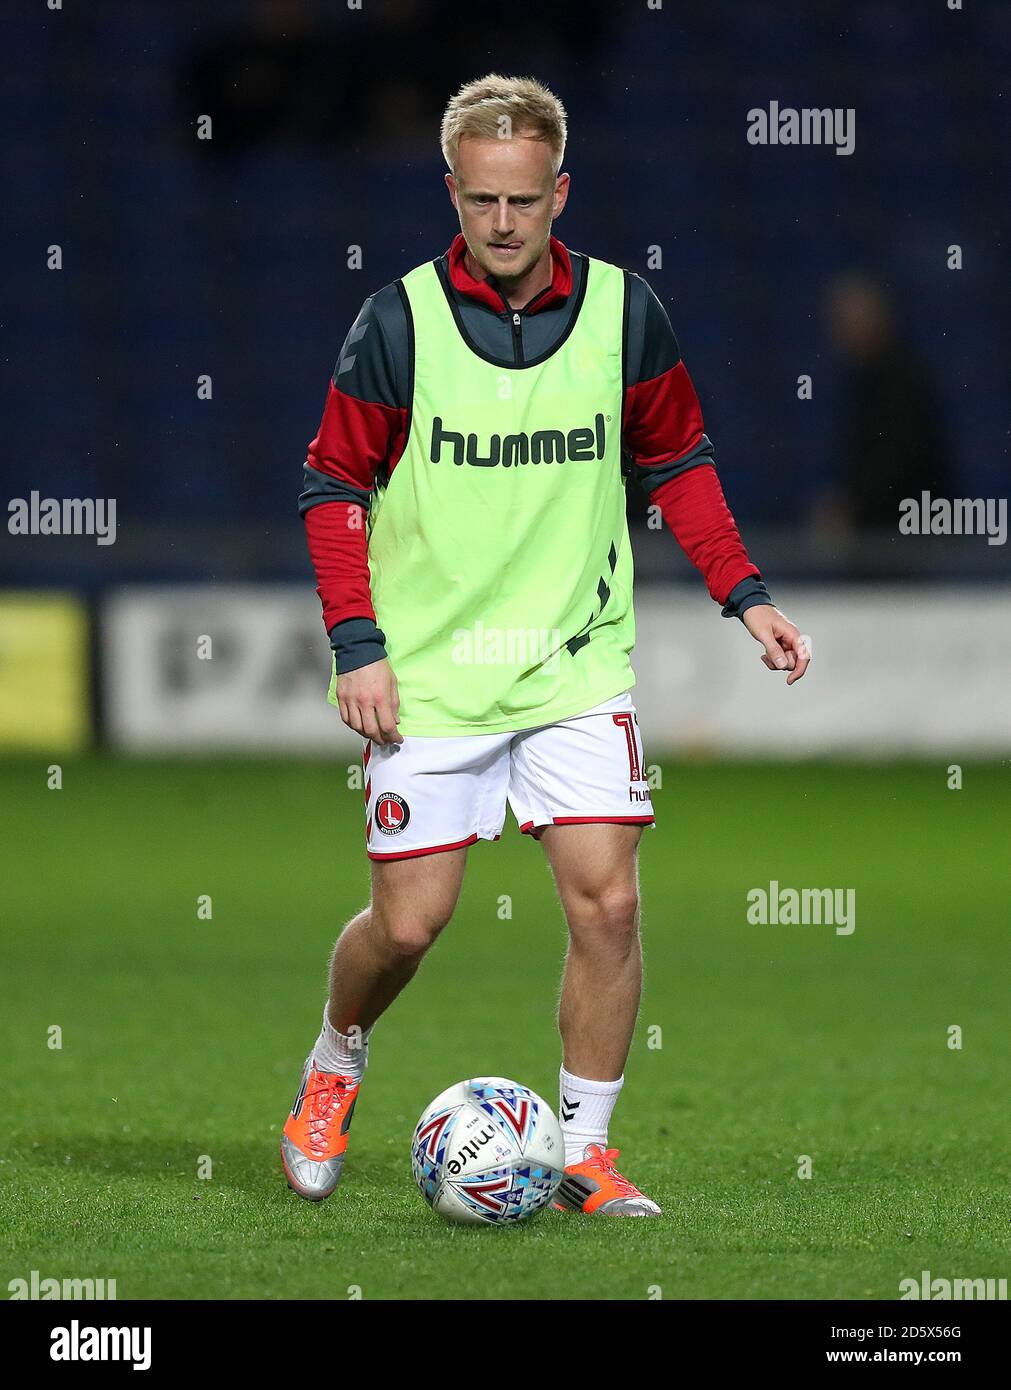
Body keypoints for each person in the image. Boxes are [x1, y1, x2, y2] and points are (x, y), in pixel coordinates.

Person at [282, 74, 809, 1217]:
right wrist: (357, 642)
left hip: (574, 663)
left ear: (559, 190)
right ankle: (335, 1060)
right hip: (427, 676)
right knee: (411, 924)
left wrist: (744, 592)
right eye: (480, 201)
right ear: (452, 193)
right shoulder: (397, 321)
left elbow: (678, 459)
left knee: (607, 905)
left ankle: (585, 1153)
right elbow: (334, 486)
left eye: (523, 200)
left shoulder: (628, 312)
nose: (504, 223)